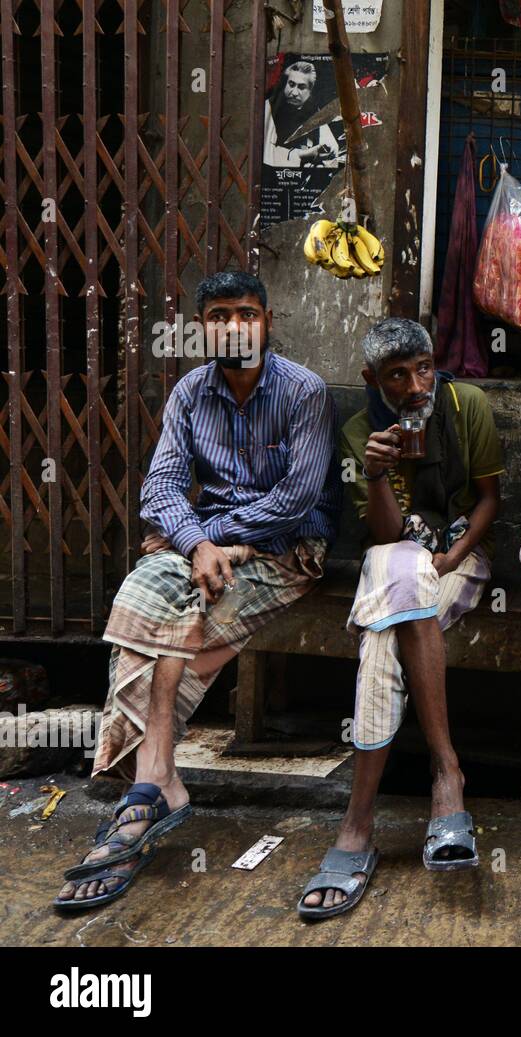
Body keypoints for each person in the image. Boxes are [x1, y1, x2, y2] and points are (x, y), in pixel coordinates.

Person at [54, 271, 343, 911]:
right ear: (204, 326)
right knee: (137, 604)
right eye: (219, 315)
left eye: (246, 313)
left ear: (267, 322)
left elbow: (295, 500)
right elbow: (159, 490)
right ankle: (160, 780)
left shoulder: (304, 392)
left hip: (283, 549)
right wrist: (199, 544)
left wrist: (221, 540)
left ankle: (144, 797)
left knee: (180, 637)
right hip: (202, 547)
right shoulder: (190, 392)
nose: (234, 325)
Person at [296, 318, 504, 920]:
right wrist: (378, 472)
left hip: (457, 556)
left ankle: (356, 827)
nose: (416, 386)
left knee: (381, 640)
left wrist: (451, 557)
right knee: (402, 574)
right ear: (371, 379)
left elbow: (490, 500)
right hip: (394, 561)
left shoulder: (467, 406)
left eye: (422, 368)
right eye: (397, 375)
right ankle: (448, 776)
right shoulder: (363, 431)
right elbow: (385, 536)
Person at [264, 59, 341, 169]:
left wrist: (327, 154)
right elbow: (266, 154)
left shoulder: (314, 112)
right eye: (291, 84)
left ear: (310, 91)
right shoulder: (269, 107)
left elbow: (332, 151)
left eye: (301, 87)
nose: (294, 93)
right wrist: (303, 155)